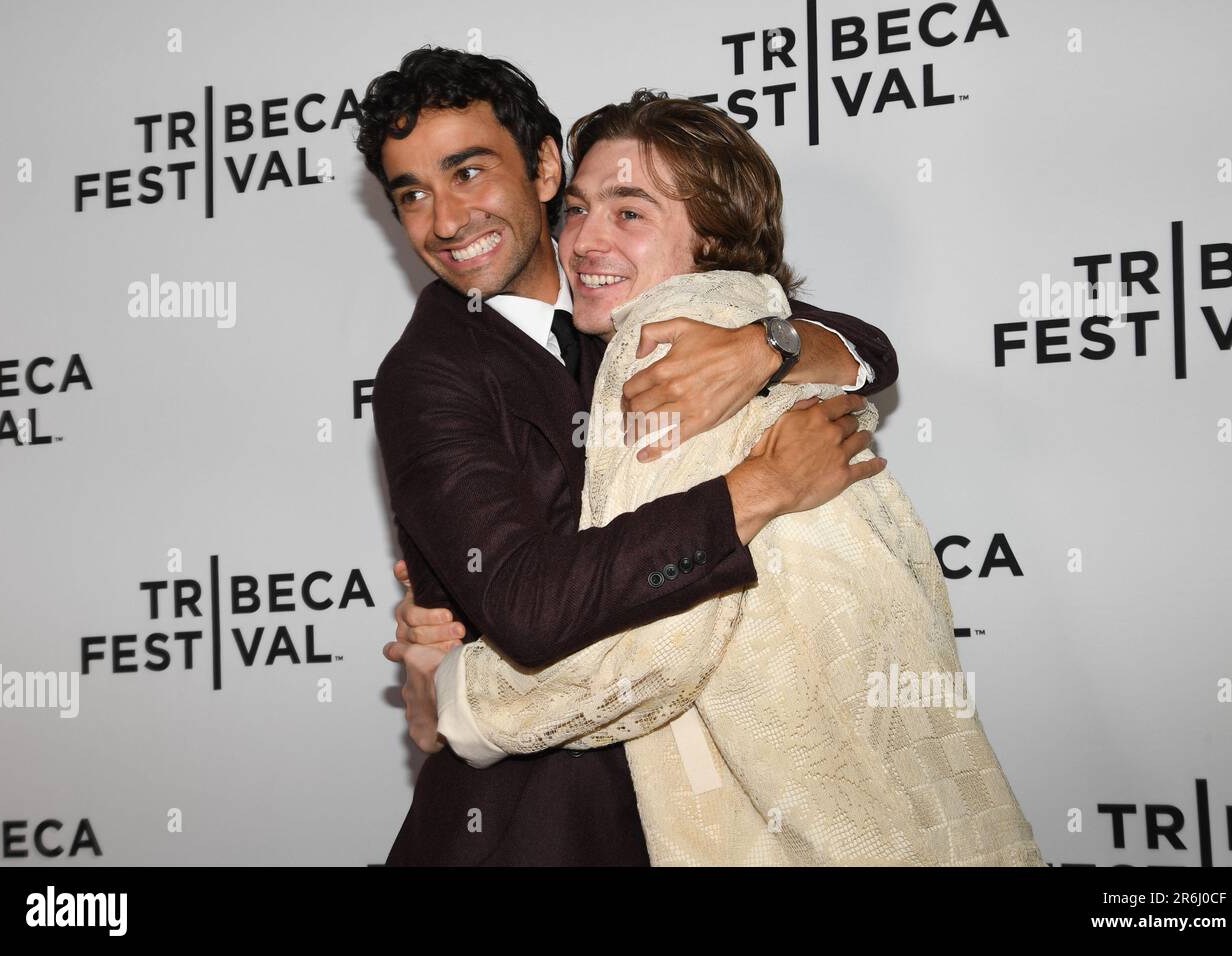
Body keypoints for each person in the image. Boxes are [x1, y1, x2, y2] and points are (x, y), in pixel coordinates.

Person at [408, 91, 1044, 865]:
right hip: (875, 802)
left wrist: (453, 699)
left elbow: (648, 649)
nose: (584, 240)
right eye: (580, 211)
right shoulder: (713, 329)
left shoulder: (676, 346)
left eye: (629, 212)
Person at [359, 47, 897, 865]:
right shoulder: (426, 376)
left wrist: (770, 347)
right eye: (413, 195)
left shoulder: (636, 294)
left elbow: (867, 347)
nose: (445, 220)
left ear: (544, 167)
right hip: (541, 823)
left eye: (468, 173)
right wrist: (758, 489)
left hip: (710, 807)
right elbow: (529, 608)